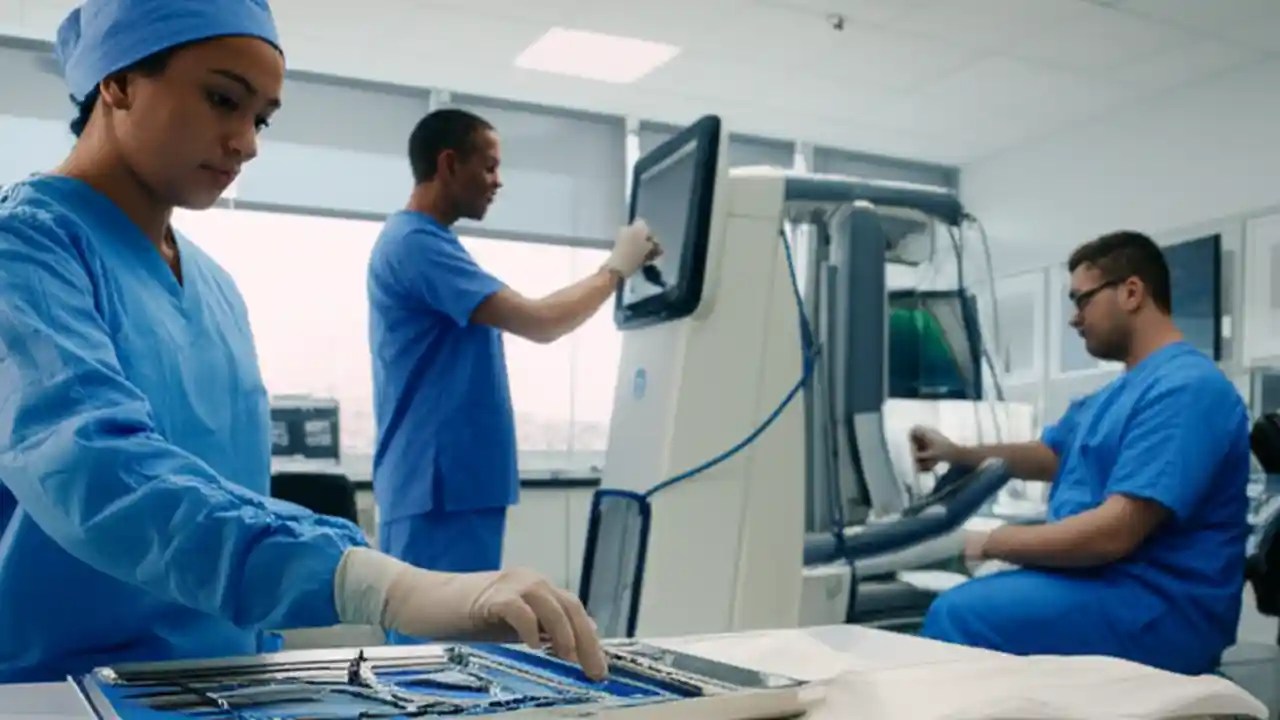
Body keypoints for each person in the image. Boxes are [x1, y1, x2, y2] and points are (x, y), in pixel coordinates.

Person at [0, 0, 605, 684]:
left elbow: (229, 489)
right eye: (222, 99)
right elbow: (93, 471)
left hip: (228, 675)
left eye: (259, 118)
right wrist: (381, 584)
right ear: (118, 81)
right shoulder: (25, 248)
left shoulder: (215, 286)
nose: (247, 142)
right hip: (65, 683)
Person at [909, 230, 1250, 676]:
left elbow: (1113, 533)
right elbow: (1052, 455)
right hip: (1105, 584)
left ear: (1131, 292)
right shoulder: (1117, 394)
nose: (1074, 318)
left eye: (1081, 300)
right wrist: (959, 452)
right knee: (972, 599)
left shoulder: (1187, 389)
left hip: (1159, 606)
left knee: (961, 614)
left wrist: (986, 543)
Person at [366, 109, 657, 578]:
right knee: (441, 642)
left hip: (451, 484)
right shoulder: (416, 245)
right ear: (448, 164)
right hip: (440, 488)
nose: (498, 181)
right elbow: (541, 322)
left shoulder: (427, 242)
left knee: (459, 635)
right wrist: (616, 269)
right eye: (489, 166)